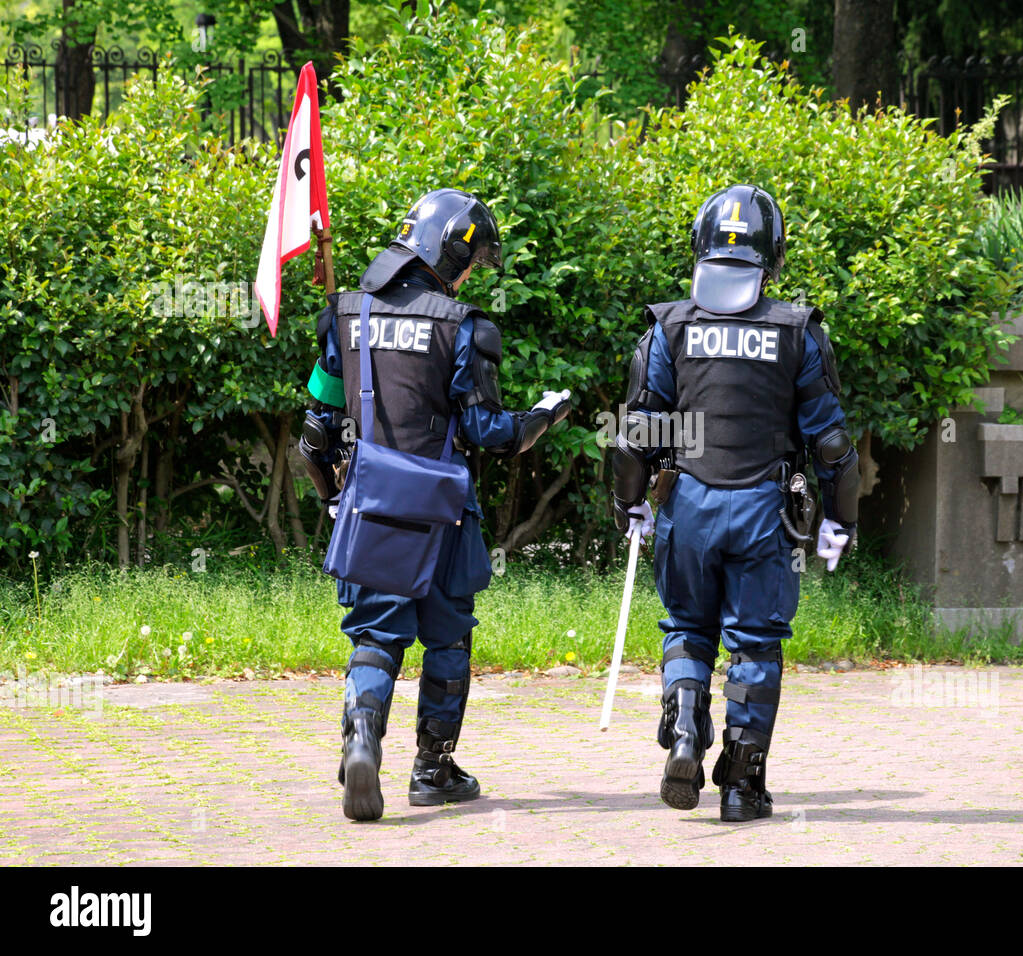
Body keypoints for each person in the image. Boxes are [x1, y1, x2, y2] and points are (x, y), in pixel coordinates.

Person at [298, 188, 572, 821]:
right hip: (444, 510)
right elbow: (488, 433)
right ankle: (433, 769)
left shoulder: (345, 316)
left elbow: (316, 428)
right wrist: (544, 415)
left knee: (374, 636)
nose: (473, 274)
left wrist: (335, 500)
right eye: (472, 262)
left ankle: (362, 736)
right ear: (450, 255)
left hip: (371, 506)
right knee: (447, 640)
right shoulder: (464, 327)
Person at [612, 184, 858, 822]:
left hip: (687, 505)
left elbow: (638, 431)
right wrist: (840, 519)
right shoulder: (796, 331)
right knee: (754, 645)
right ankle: (743, 788)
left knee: (687, 629)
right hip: (762, 512)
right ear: (773, 258)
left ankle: (688, 728)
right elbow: (831, 443)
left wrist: (630, 504)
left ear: (699, 247)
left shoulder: (670, 327)